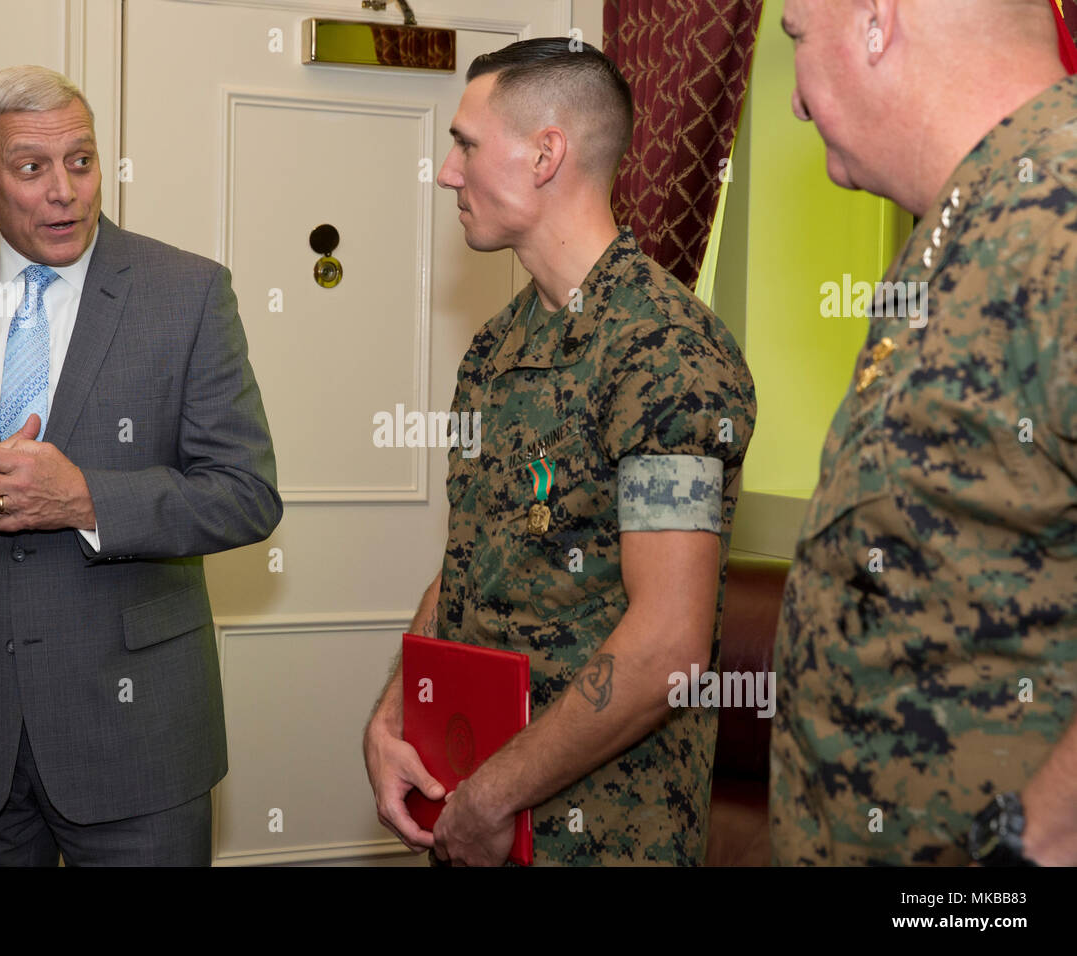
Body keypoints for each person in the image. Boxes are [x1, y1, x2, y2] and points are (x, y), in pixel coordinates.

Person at [0, 65, 282, 865]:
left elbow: (245, 495)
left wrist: (86, 502)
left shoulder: (189, 293)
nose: (65, 191)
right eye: (32, 168)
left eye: (83, 160)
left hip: (138, 741)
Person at [362, 38, 756, 866]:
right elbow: (473, 553)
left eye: (466, 144)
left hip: (603, 831)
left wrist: (495, 794)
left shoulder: (665, 351)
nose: (445, 172)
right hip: (476, 805)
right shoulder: (498, 347)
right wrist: (399, 708)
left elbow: (668, 645)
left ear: (546, 153)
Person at [772, 0, 1077, 866]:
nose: (793, 100)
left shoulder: (1060, 213)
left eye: (797, 37)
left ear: (876, 20)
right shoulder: (961, 227)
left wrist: (1036, 848)